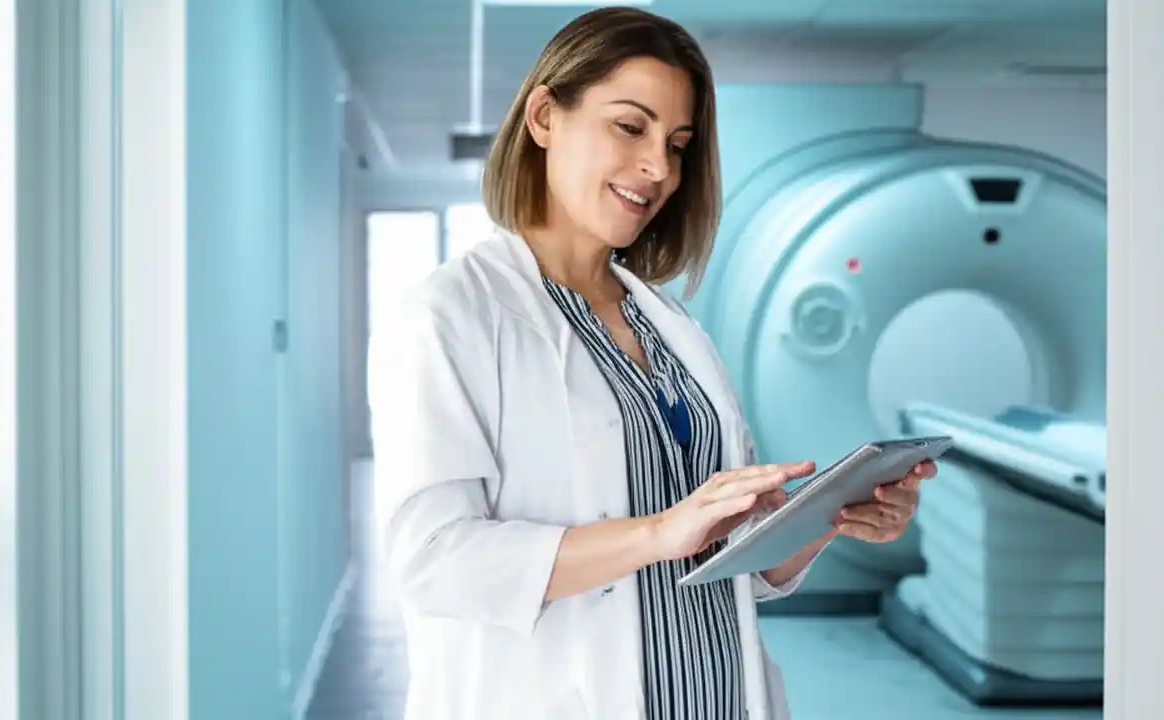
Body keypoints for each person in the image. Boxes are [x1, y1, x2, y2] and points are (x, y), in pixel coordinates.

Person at [369, 7, 937, 720]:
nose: (659, 169)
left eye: (678, 142)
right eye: (629, 127)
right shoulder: (452, 313)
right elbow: (435, 562)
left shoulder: (668, 325)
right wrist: (655, 533)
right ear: (545, 117)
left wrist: (826, 519)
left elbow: (734, 569)